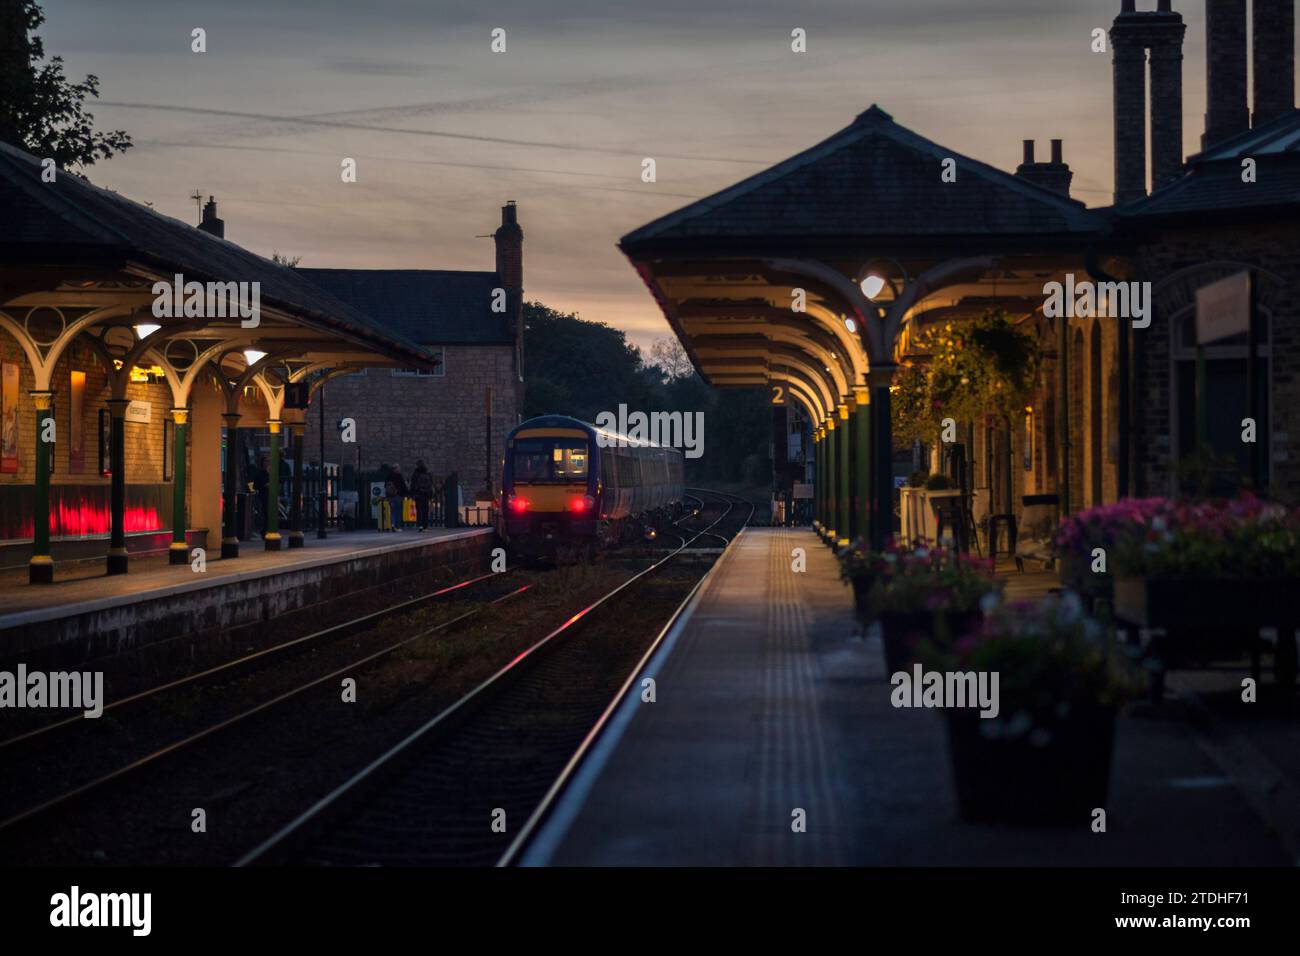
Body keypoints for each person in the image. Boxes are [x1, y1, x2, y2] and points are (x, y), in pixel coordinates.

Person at [410, 459, 434, 531]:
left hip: (418, 494)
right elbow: (430, 484)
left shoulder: (415, 473)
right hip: (425, 494)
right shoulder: (427, 473)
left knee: (419, 510)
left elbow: (413, 484)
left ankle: (420, 525)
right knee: (425, 510)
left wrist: (413, 494)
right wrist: (430, 495)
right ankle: (425, 526)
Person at [386, 464, 408, 531]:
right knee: (398, 511)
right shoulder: (399, 476)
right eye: (398, 468)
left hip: (390, 496)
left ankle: (392, 525)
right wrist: (406, 493)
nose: (399, 470)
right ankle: (397, 526)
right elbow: (403, 486)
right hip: (398, 495)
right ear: (396, 469)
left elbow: (385, 486)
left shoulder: (388, 476)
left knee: (392, 511)